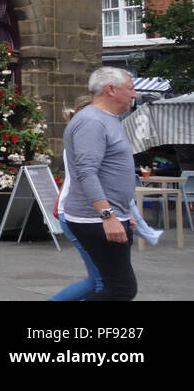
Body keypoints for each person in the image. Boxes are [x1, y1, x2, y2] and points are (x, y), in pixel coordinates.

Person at [61, 67, 139, 301]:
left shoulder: (108, 119)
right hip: (94, 219)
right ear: (110, 90)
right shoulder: (91, 122)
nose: (134, 95)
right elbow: (87, 172)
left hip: (110, 216)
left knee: (114, 286)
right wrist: (108, 216)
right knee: (120, 289)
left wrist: (126, 211)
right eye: (130, 88)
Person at [50, 97, 103, 301]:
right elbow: (87, 177)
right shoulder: (84, 139)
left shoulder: (83, 138)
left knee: (97, 280)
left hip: (79, 213)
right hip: (80, 214)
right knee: (102, 281)